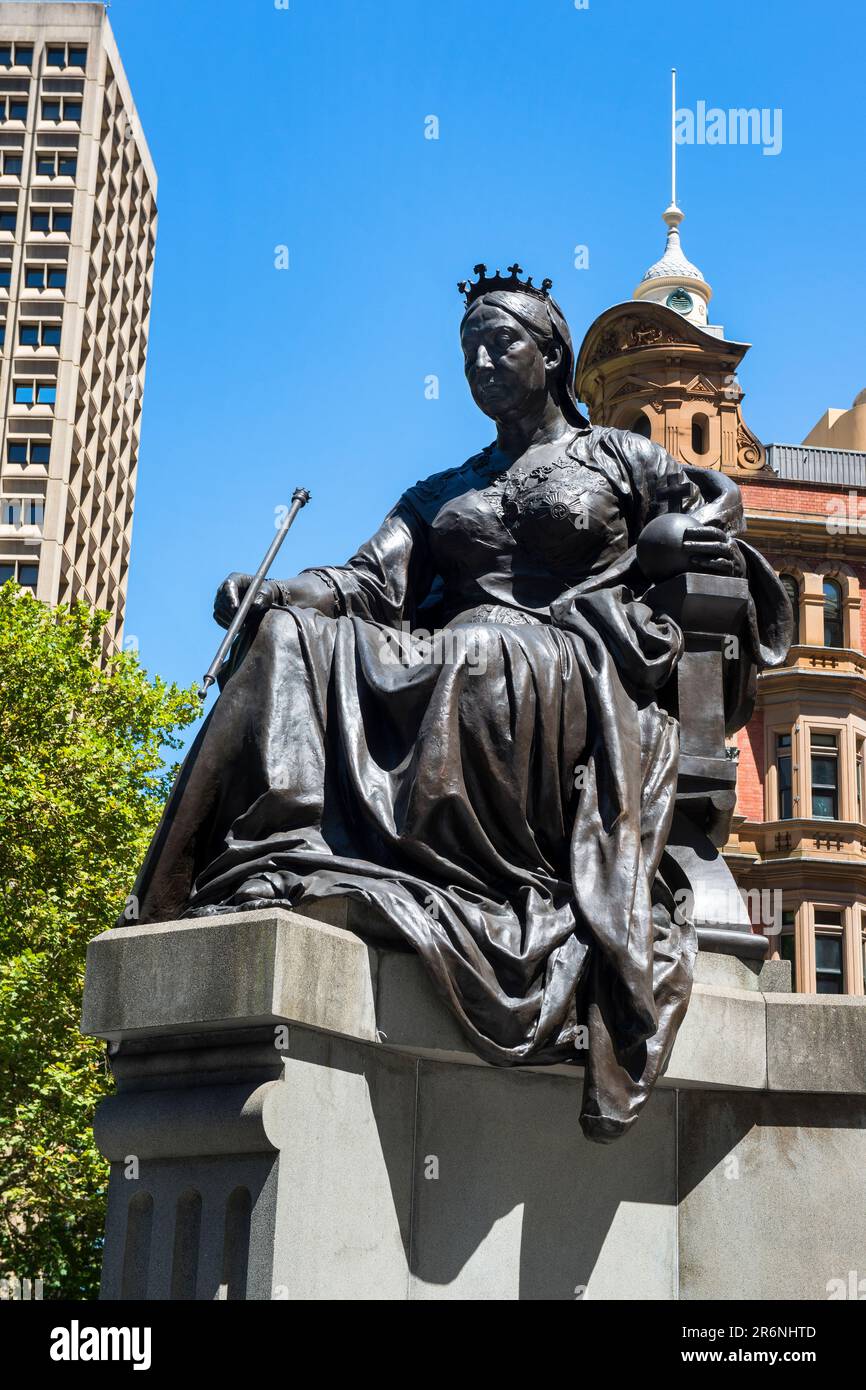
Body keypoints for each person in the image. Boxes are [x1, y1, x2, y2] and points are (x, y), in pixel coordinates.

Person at [129, 266, 790, 1141]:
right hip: (456, 660)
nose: (481, 358)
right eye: (468, 347)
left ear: (551, 354)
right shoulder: (441, 489)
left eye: (501, 340)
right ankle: (276, 845)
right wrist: (274, 591)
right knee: (288, 639)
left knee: (476, 649)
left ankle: (387, 842)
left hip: (568, 662)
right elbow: (365, 581)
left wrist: (684, 534)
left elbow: (718, 504)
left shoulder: (615, 456)